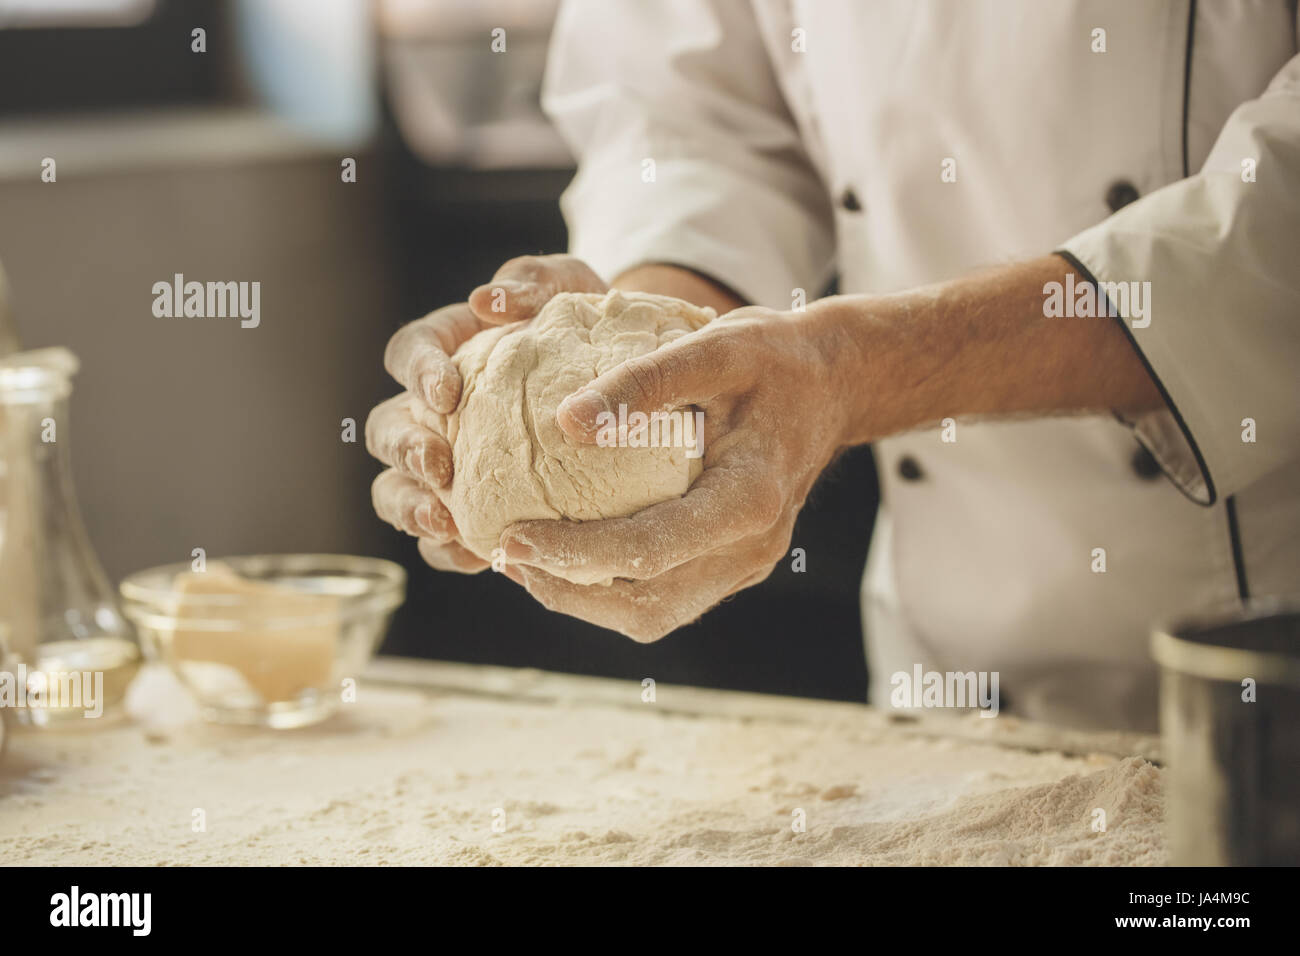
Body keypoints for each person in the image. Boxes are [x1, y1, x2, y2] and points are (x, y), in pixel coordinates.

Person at [367, 1, 1300, 731]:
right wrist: (655, 353)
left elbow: (1275, 217)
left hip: (1265, 660)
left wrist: (860, 373)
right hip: (945, 685)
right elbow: (697, 123)